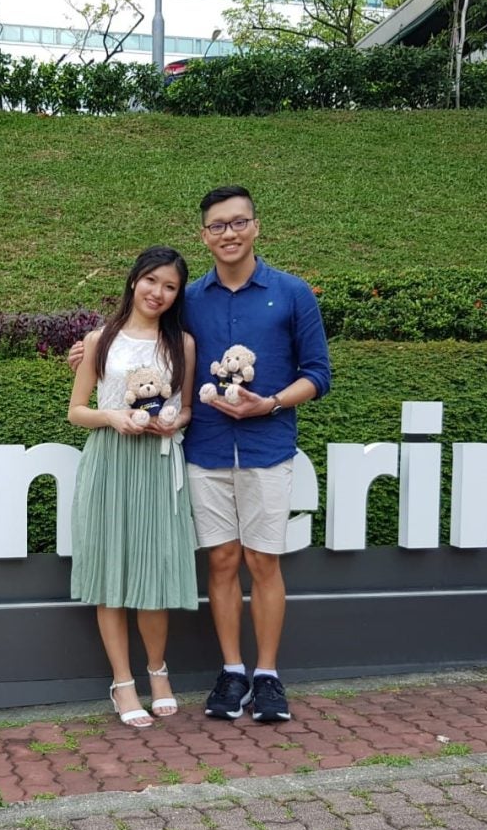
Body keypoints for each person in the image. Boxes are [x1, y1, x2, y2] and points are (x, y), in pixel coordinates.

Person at [69, 187, 330, 723]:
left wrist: (271, 403)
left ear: (256, 226)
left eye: (238, 222)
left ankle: (268, 676)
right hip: (204, 449)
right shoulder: (191, 299)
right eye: (217, 226)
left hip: (267, 444)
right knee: (222, 561)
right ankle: (232, 673)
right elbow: (135, 338)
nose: (229, 233)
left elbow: (319, 374)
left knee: (264, 561)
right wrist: (86, 350)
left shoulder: (293, 293)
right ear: (204, 235)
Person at [68, 246, 198, 729]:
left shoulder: (181, 343)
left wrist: (173, 421)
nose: (158, 293)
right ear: (133, 281)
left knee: (154, 572)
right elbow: (76, 410)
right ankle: (122, 681)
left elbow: (186, 408)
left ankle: (158, 672)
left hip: (158, 465)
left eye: (169, 286)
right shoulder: (99, 339)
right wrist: (113, 417)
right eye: (151, 281)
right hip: (110, 460)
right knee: (110, 572)